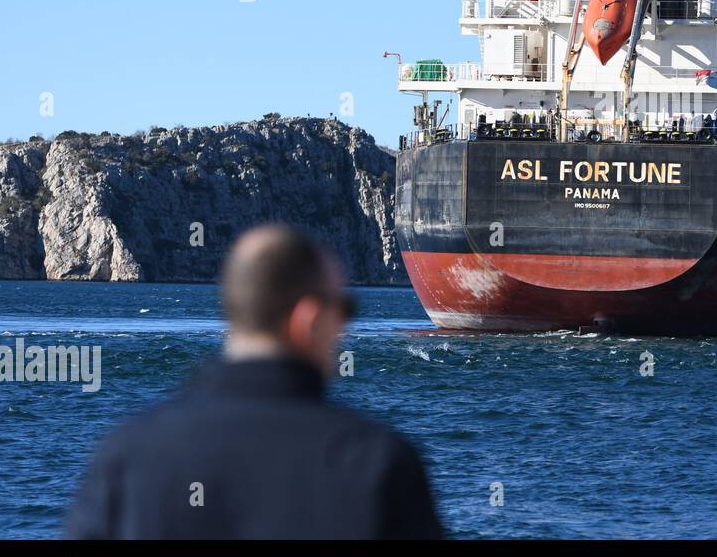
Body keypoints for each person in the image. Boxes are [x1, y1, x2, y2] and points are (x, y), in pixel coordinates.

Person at [65, 225, 444, 539]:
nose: (345, 326)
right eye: (344, 309)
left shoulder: (127, 455)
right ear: (308, 319)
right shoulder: (378, 463)